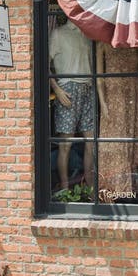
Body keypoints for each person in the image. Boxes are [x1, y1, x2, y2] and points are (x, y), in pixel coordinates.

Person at [96, 44, 138, 199]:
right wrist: (103, 102)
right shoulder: (102, 44)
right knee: (114, 142)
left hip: (132, 95)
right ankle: (112, 189)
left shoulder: (136, 44)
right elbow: (99, 78)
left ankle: (129, 189)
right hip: (113, 98)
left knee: (131, 140)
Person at [49, 17, 94, 191]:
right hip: (68, 88)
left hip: (88, 87)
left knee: (91, 141)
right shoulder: (59, 33)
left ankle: (90, 185)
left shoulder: (88, 35)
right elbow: (43, 63)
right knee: (65, 144)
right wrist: (57, 90)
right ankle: (65, 187)